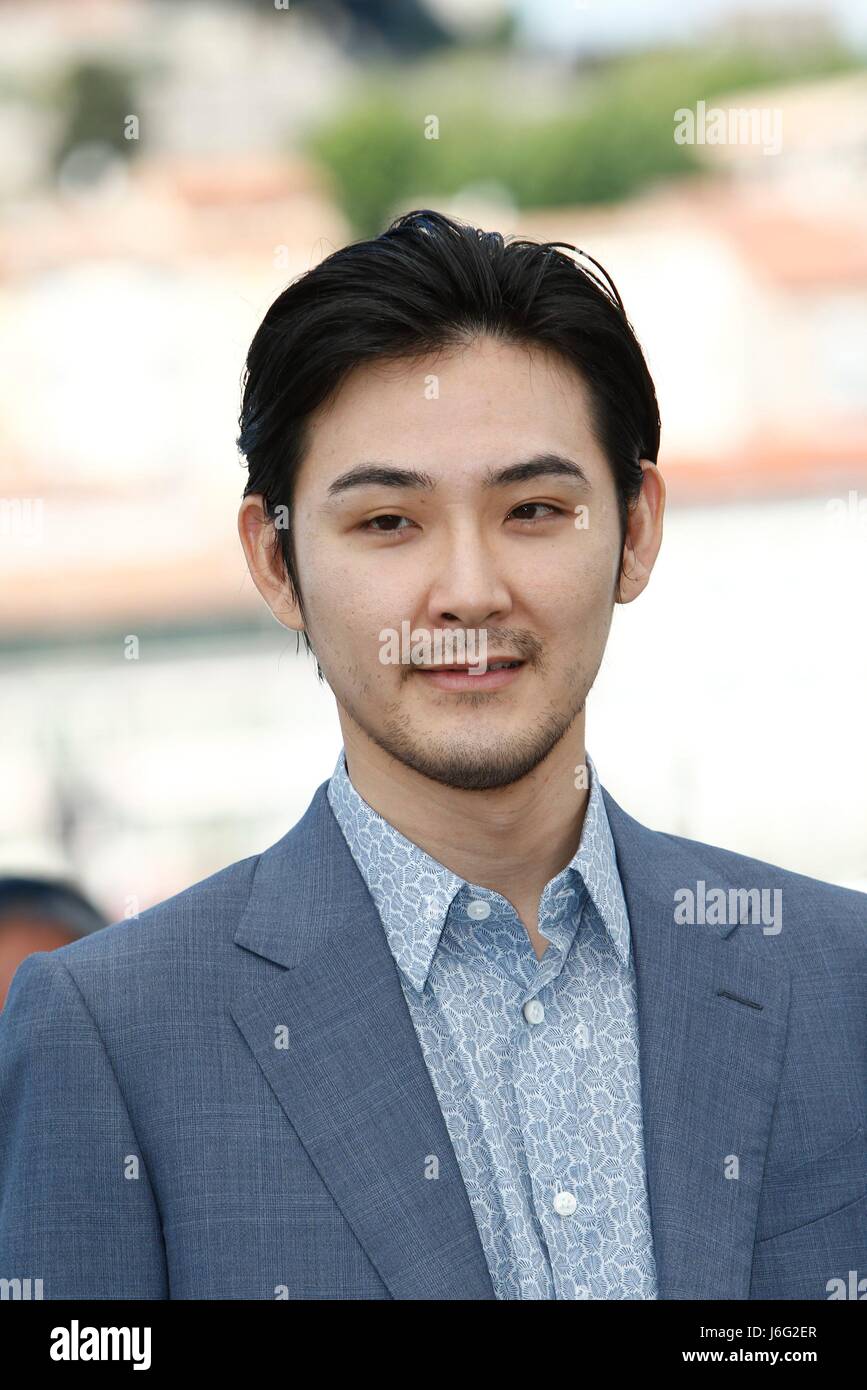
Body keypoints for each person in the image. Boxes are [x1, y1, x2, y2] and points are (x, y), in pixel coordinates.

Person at [1, 210, 864, 1300]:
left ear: (637, 528)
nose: (467, 590)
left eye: (535, 508)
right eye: (388, 523)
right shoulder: (111, 1038)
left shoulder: (840, 978)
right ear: (276, 561)